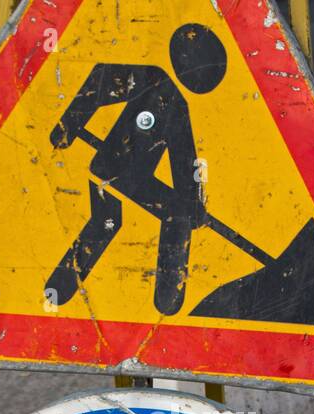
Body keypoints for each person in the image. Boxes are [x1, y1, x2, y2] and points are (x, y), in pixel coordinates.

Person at [45, 23, 227, 316]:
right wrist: (65, 128)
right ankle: (167, 295)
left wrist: (192, 203)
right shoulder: (150, 78)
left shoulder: (177, 104)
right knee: (146, 217)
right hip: (113, 167)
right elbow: (100, 83)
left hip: (129, 176)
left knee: (110, 221)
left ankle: (60, 289)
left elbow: (183, 159)